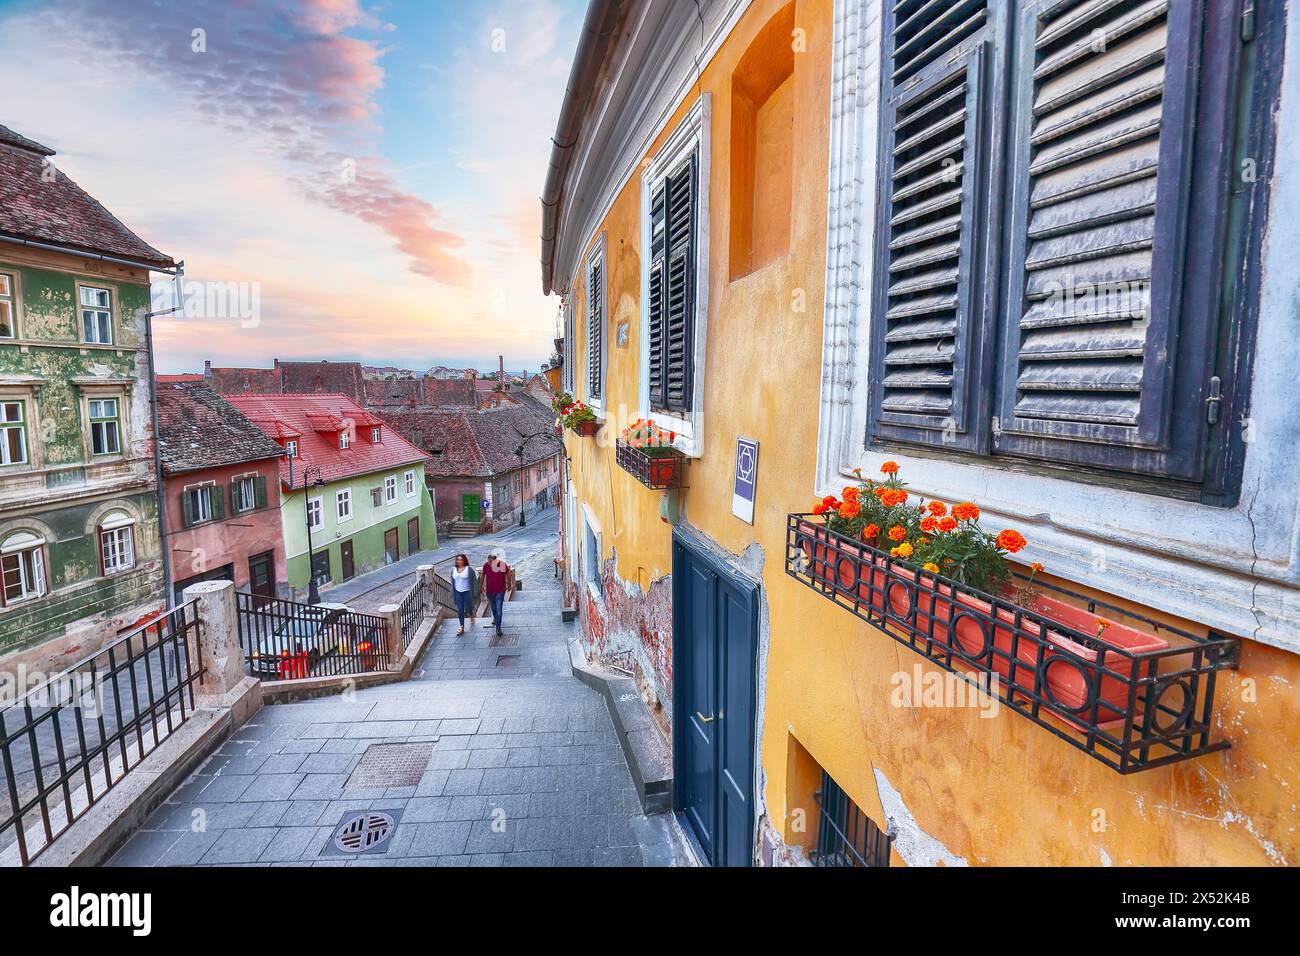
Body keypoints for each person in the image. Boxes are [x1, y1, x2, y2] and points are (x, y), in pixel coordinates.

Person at [480, 552, 512, 636]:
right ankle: (495, 618)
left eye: (492, 562)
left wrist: (509, 584)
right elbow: (482, 575)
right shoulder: (486, 565)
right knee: (493, 608)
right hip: (489, 591)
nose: (490, 563)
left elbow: (508, 573)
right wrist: (480, 586)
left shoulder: (501, 565)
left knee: (498, 609)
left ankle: (498, 628)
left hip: (500, 591)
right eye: (489, 561)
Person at [450, 553, 476, 636]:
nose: (459, 561)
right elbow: (452, 582)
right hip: (458, 592)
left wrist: (475, 592)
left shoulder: (469, 569)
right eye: (458, 560)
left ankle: (471, 615)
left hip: (467, 592)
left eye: (461, 559)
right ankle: (462, 627)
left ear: (464, 560)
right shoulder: (453, 569)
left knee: (468, 607)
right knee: (460, 609)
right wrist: (452, 592)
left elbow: (474, 581)